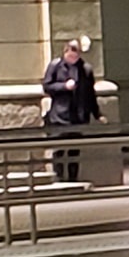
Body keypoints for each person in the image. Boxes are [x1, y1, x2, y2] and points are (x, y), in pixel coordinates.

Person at [41, 38, 101, 181]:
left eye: (76, 55)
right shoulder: (56, 66)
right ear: (65, 52)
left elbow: (90, 94)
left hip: (78, 116)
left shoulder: (85, 69)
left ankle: (73, 178)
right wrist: (64, 86)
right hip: (60, 115)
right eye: (71, 55)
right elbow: (47, 86)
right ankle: (59, 178)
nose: (73, 58)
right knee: (59, 149)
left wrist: (97, 114)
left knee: (74, 150)